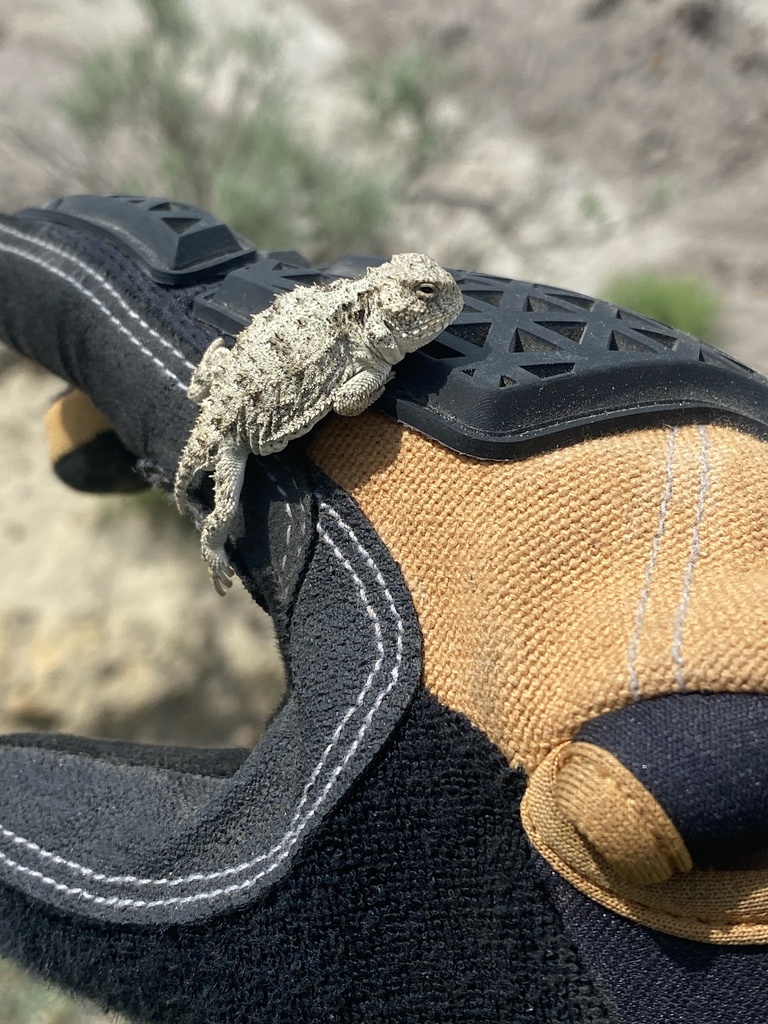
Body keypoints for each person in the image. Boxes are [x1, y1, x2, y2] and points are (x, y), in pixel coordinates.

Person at [0, 193, 766, 1023]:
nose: (430, 303)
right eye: (414, 300)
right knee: (224, 488)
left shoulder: (374, 334)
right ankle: (227, 516)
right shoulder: (366, 357)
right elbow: (358, 384)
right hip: (260, 403)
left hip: (279, 360)